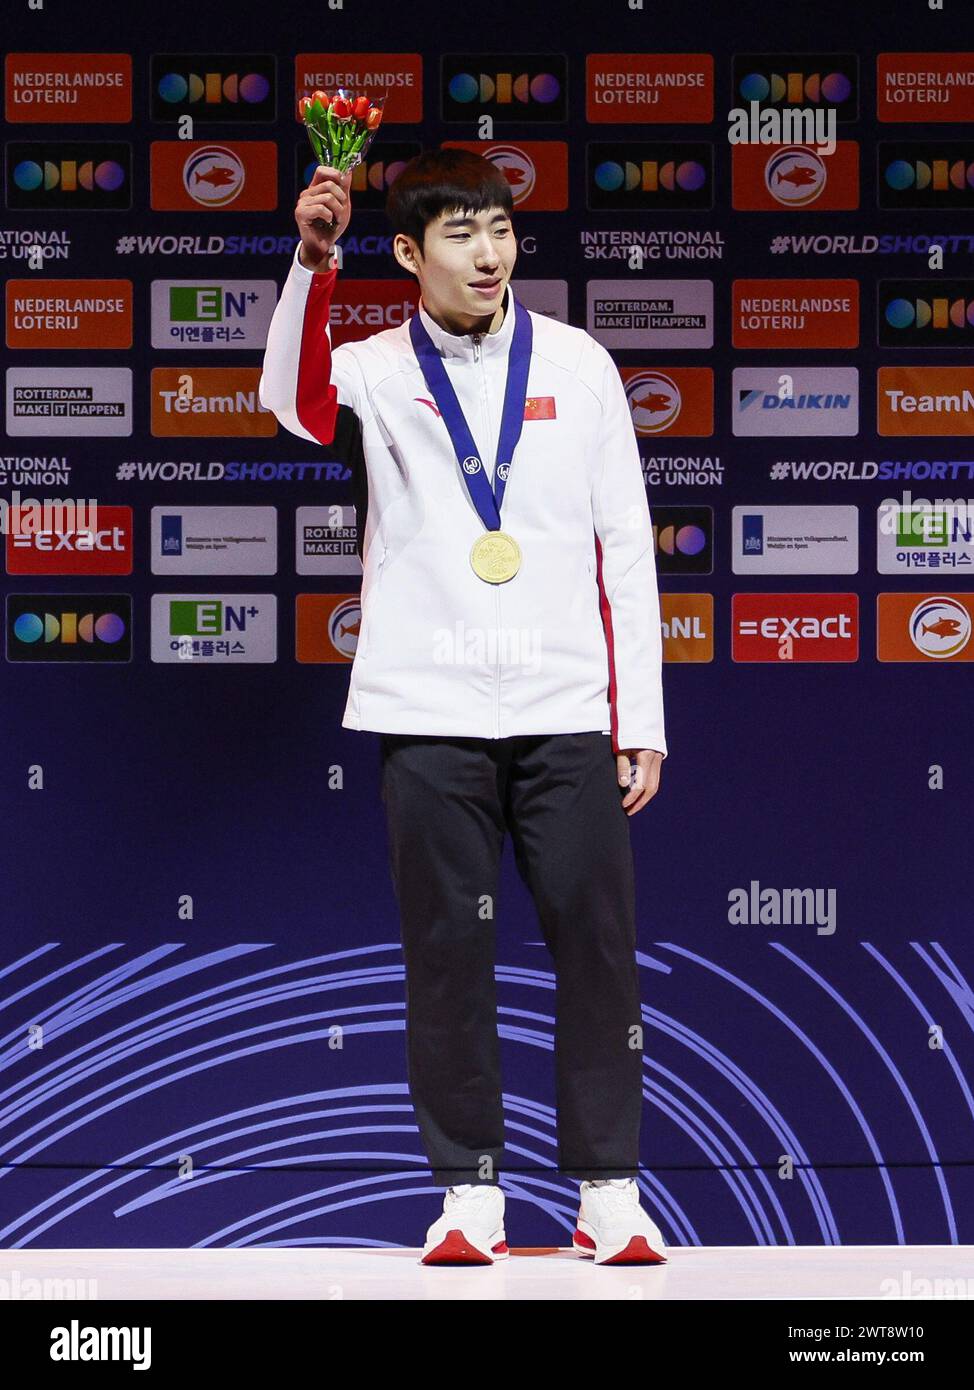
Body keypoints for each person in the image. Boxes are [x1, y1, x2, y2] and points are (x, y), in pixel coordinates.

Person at [259, 148, 669, 1267]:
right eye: (459, 233)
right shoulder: (376, 365)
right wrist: (311, 259)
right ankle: (467, 1196)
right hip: (428, 703)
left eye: (499, 229)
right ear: (407, 252)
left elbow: (624, 547)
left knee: (596, 950)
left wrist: (640, 719)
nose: (488, 253)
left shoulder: (580, 365)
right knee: (446, 953)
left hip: (560, 703)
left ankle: (607, 1192)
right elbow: (288, 404)